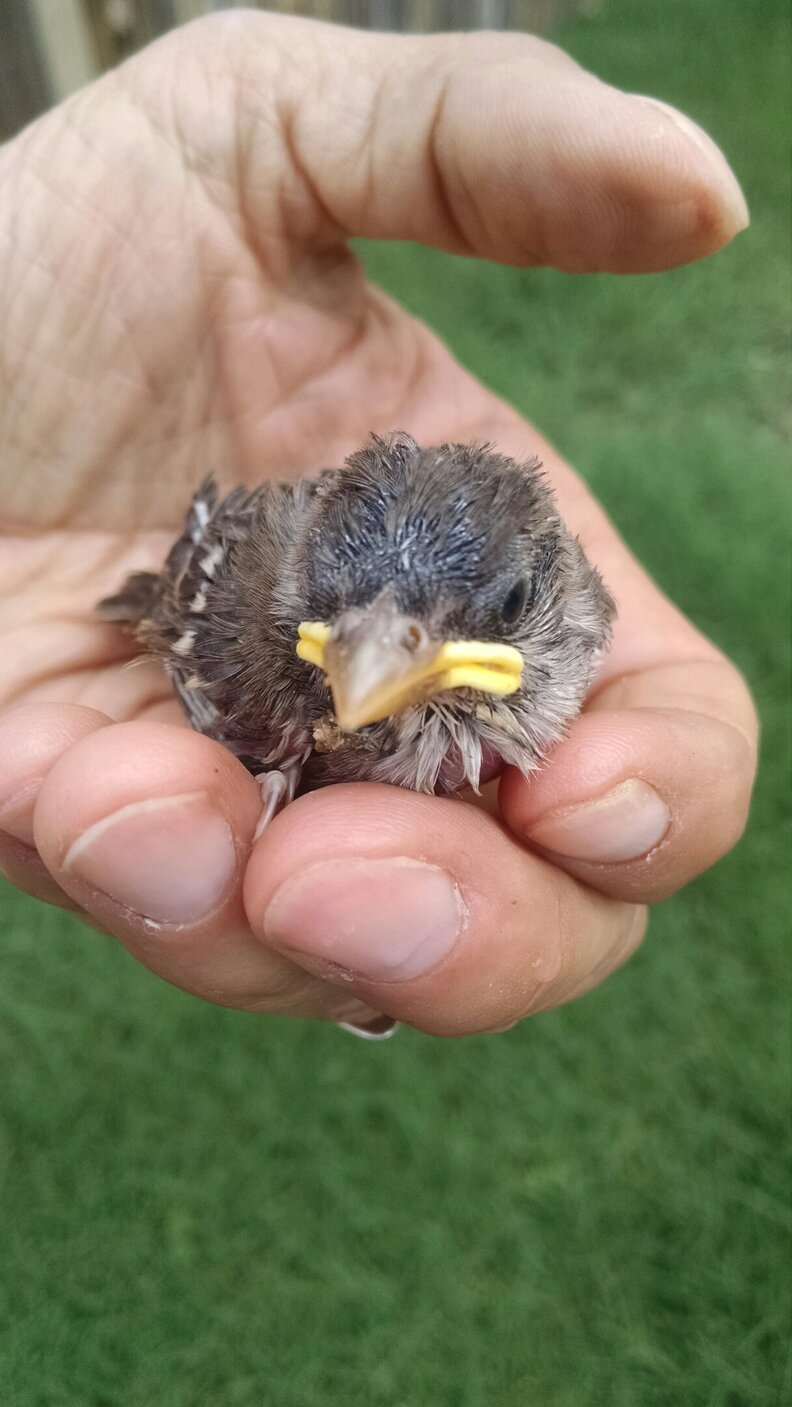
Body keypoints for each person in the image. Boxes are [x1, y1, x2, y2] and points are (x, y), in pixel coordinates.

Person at [0, 11, 757, 1037]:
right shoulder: (271, 660)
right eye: (352, 623)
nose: (372, 668)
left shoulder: (571, 618)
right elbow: (282, 629)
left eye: (483, 610)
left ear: (553, 590)